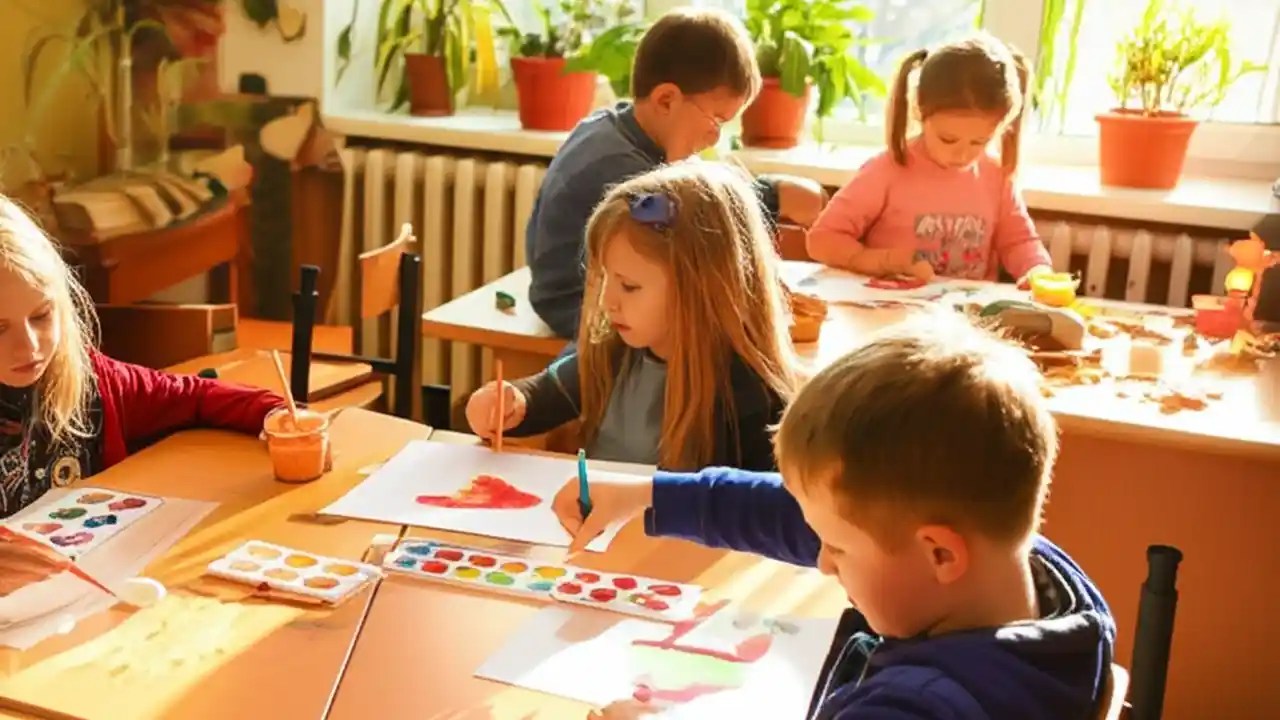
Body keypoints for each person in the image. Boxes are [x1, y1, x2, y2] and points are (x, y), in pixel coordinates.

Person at [553, 311, 1115, 719]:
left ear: (941, 553)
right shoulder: (1040, 582)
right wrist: (649, 494)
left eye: (838, 550)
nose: (822, 561)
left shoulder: (918, 709)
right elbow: (824, 519)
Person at [0, 195, 285, 596]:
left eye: (41, 316)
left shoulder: (87, 378)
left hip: (94, 603)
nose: (28, 347)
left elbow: (192, 396)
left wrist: (276, 416)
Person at [467, 161, 799, 472]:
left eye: (629, 286)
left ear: (702, 290)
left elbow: (750, 510)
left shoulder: (749, 396)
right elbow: (547, 396)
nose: (609, 300)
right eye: (606, 278)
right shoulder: (614, 352)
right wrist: (511, 403)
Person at [527, 7, 827, 340]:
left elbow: (696, 187)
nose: (715, 137)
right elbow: (695, 220)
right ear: (666, 100)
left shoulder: (614, 129)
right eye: (716, 120)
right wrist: (772, 196)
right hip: (582, 307)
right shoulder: (621, 169)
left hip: (588, 298)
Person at [807, 34, 1053, 286]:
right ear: (918, 109)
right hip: (889, 311)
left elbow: (1019, 241)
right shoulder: (887, 171)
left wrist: (1037, 272)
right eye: (948, 139)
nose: (963, 154)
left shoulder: (995, 176)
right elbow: (822, 240)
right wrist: (883, 261)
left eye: (979, 141)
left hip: (963, 317)